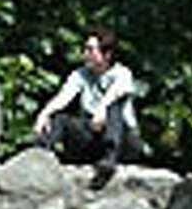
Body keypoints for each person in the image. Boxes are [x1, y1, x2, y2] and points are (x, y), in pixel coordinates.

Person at [33, 29, 141, 182]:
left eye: (90, 50)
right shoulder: (80, 74)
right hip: (94, 136)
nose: (85, 54)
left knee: (114, 108)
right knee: (60, 118)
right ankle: (39, 153)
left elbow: (116, 93)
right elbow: (63, 98)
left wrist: (102, 109)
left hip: (122, 141)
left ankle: (110, 160)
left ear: (107, 54)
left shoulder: (123, 73)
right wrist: (43, 115)